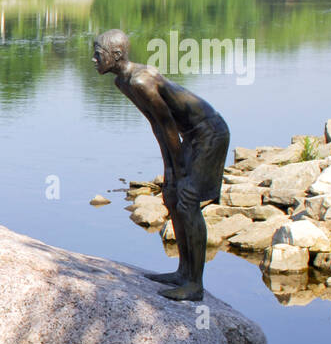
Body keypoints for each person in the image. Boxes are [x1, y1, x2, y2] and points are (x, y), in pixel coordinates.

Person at [91, 29, 230, 302]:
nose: (93, 60)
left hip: (210, 133)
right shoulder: (124, 82)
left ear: (116, 55)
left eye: (98, 54)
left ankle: (195, 283)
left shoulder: (141, 80)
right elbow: (157, 124)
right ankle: (182, 272)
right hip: (192, 135)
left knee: (187, 199)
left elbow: (166, 125)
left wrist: (176, 167)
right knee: (171, 194)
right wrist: (170, 169)